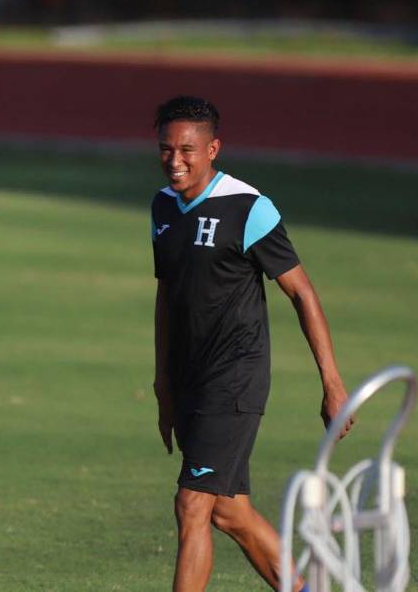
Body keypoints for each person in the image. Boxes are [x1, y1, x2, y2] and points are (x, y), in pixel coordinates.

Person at [149, 95, 352, 591]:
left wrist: (332, 382)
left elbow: (302, 293)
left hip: (235, 376)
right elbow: (167, 295)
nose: (176, 161)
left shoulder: (248, 208)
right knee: (227, 511)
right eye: (166, 149)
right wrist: (163, 383)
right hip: (191, 379)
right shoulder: (162, 207)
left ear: (213, 148)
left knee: (192, 503)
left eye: (188, 150)